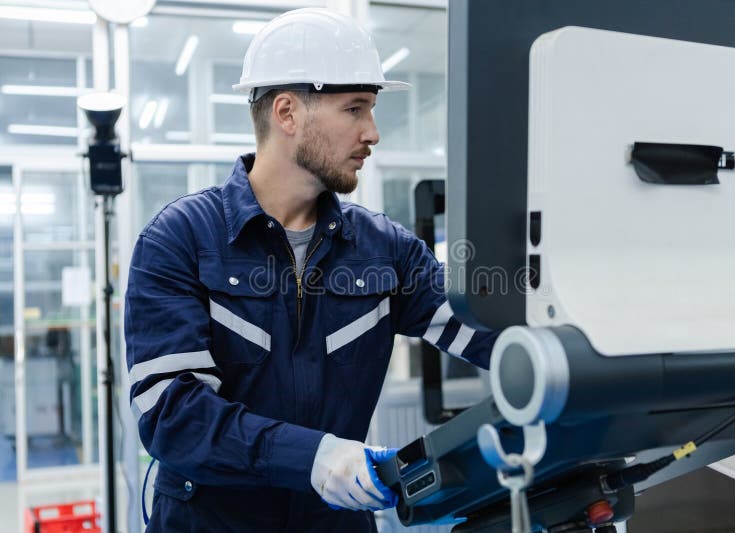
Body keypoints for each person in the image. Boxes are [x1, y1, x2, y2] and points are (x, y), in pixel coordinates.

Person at [125, 7, 498, 532]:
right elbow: (174, 417)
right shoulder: (179, 240)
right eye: (355, 109)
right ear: (287, 113)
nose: (373, 132)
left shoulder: (385, 250)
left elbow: (485, 329)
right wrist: (314, 457)